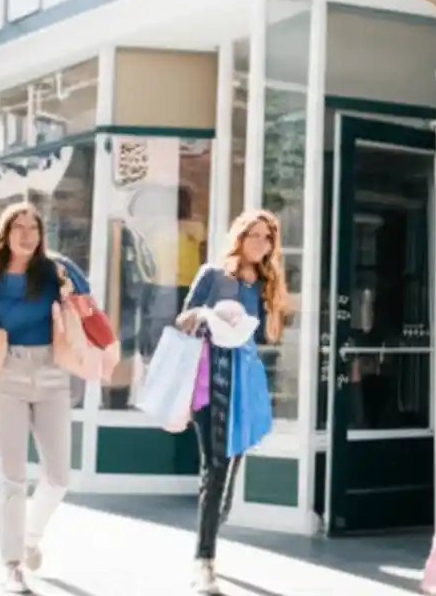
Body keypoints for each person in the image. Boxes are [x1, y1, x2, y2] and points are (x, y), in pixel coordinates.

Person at [0, 202, 91, 593]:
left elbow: (86, 302)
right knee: (12, 476)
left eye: (34, 227)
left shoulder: (54, 271)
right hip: (8, 373)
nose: (27, 234)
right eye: (19, 226)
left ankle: (30, 537)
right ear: (5, 233)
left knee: (59, 477)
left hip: (52, 370)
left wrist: (71, 283)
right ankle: (13, 564)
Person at [174, 209, 288, 595]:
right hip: (210, 380)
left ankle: (210, 530)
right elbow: (182, 321)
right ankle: (204, 560)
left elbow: (268, 336)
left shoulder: (266, 283)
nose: (261, 243)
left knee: (227, 476)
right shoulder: (213, 275)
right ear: (239, 237)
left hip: (245, 384)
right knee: (216, 466)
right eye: (254, 235)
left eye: (267, 237)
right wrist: (208, 315)